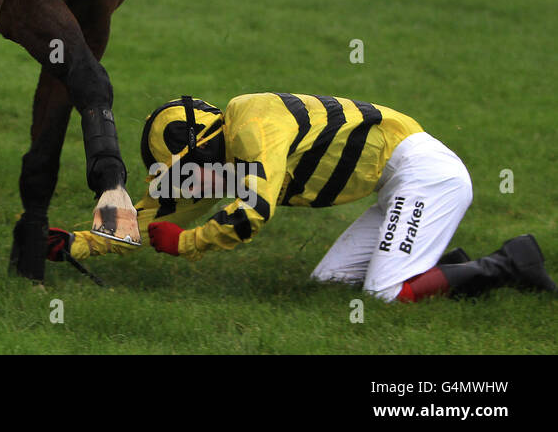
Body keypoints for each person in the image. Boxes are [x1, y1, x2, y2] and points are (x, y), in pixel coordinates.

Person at [47, 93, 556, 303]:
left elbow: (256, 210)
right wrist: (74, 244)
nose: (194, 180)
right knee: (330, 283)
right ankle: (442, 268)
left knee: (382, 295)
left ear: (198, 142)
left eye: (190, 169)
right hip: (400, 182)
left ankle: (508, 262)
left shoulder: (251, 120)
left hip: (428, 175)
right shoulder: (220, 156)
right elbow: (148, 214)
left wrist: (188, 244)